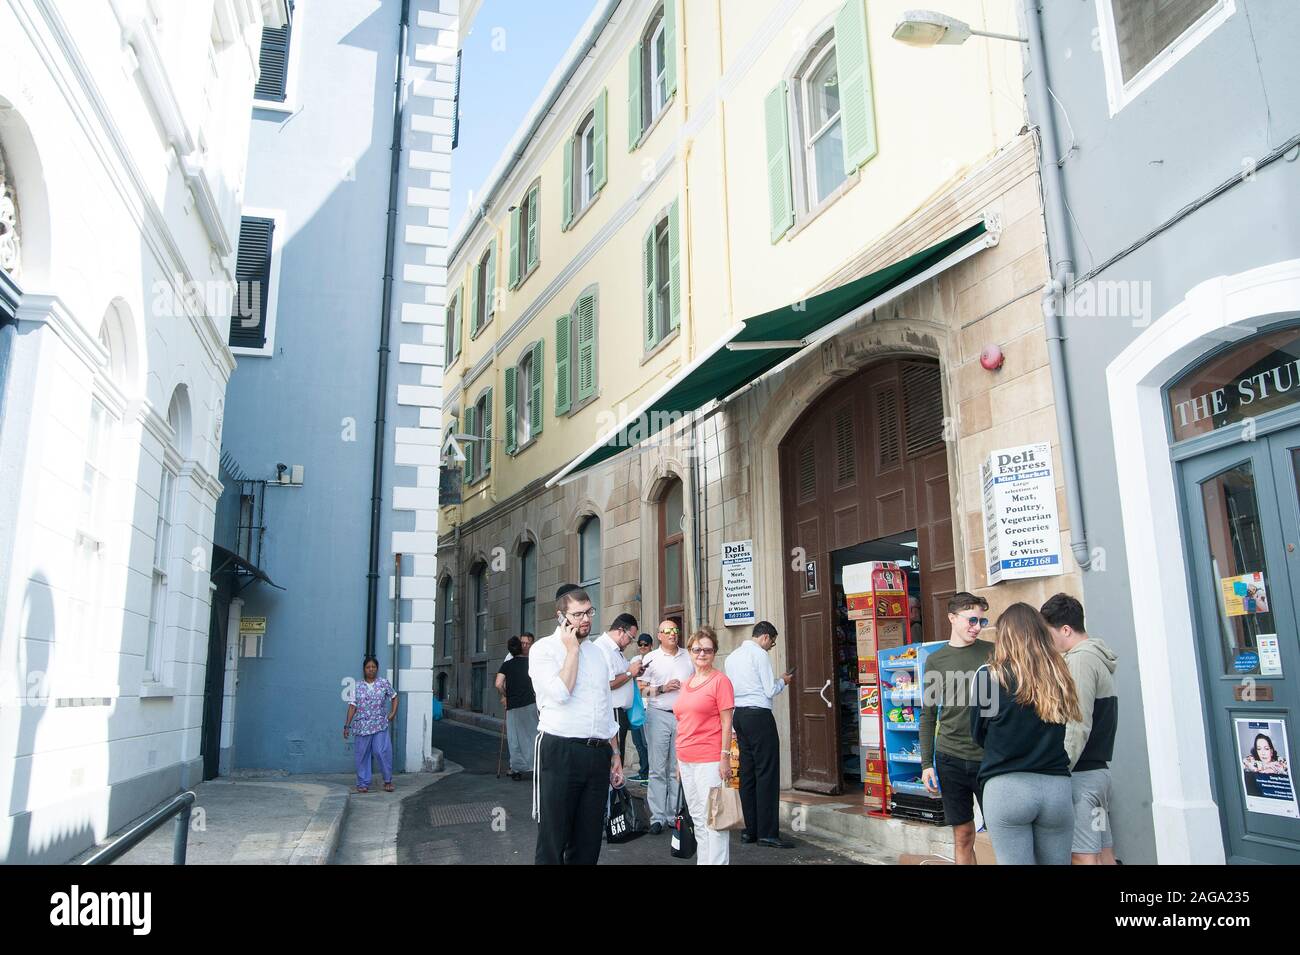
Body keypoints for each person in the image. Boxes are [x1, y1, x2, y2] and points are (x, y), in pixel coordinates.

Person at [971, 603, 1081, 866]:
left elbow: (977, 733)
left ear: (1004, 637)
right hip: (1056, 787)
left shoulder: (988, 677)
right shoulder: (1059, 673)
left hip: (1006, 787)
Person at [527, 584, 622, 865]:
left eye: (589, 612)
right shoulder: (543, 649)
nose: (586, 620)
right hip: (560, 749)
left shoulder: (598, 653)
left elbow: (605, 707)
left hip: (597, 753)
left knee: (588, 840)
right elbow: (560, 692)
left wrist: (615, 753)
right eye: (578, 614)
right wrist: (571, 652)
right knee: (553, 837)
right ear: (561, 617)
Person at [1041, 593, 1119, 866]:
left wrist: (1062, 768)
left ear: (1065, 630)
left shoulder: (1079, 661)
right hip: (1097, 773)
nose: (1046, 641)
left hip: (1081, 775)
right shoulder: (1098, 656)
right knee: (1103, 852)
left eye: (1047, 632)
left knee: (1082, 855)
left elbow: (1077, 722)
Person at [919, 592, 993, 864]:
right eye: (972, 619)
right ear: (952, 618)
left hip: (989, 758)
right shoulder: (936, 661)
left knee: (1001, 833)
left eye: (982, 621)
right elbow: (928, 714)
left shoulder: (992, 652)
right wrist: (926, 763)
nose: (977, 626)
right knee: (963, 834)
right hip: (950, 758)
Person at [724, 620, 794, 847]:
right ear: (765, 637)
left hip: (740, 716)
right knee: (767, 773)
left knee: (747, 773)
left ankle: (749, 830)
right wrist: (783, 681)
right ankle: (767, 833)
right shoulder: (759, 655)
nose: (770, 647)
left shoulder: (731, 657)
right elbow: (769, 689)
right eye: (771, 643)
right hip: (759, 715)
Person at [674, 627, 736, 865]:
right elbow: (682, 722)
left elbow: (727, 720)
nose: (702, 654)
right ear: (690, 651)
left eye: (707, 650)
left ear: (714, 653)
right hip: (686, 758)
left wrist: (724, 757)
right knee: (698, 819)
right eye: (697, 649)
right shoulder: (687, 683)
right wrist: (678, 761)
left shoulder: (721, 682)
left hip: (710, 758)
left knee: (715, 822)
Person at [638, 618, 694, 834]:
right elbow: (640, 689)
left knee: (676, 768)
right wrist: (662, 688)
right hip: (658, 714)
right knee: (658, 768)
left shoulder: (687, 657)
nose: (673, 634)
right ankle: (658, 816)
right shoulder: (651, 658)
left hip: (682, 717)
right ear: (659, 635)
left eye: (675, 630)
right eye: (667, 631)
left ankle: (674, 814)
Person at [343, 655, 397, 794]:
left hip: (380, 724)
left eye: (373, 667)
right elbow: (352, 706)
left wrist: (393, 713)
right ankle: (363, 783)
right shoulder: (357, 686)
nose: (371, 669)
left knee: (382, 751)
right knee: (362, 755)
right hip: (362, 726)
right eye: (368, 667)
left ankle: (388, 780)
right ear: (364, 669)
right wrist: (347, 725)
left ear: (377, 669)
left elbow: (394, 697)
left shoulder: (383, 683)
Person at [594, 613, 644, 764]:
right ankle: (614, 786)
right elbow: (608, 683)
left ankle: (617, 785)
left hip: (620, 711)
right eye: (630, 637)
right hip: (613, 709)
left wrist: (633, 672)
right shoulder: (602, 648)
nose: (630, 642)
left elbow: (623, 675)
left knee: (618, 752)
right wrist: (630, 672)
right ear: (620, 630)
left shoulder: (616, 650)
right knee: (615, 753)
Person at [496, 635, 539, 780]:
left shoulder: (507, 664)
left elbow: (498, 683)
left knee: (515, 738)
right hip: (531, 702)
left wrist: (505, 695)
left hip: (513, 705)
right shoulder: (532, 663)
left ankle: (516, 769)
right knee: (533, 735)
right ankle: (537, 766)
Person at [629, 634, 654, 781]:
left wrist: (642, 686)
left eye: (645, 644)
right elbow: (634, 684)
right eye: (640, 644)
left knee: (647, 743)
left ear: (651, 645)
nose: (643, 647)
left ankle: (648, 773)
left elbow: (648, 686)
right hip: (636, 706)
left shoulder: (655, 659)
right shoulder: (634, 660)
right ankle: (643, 771)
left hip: (649, 706)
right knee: (637, 742)